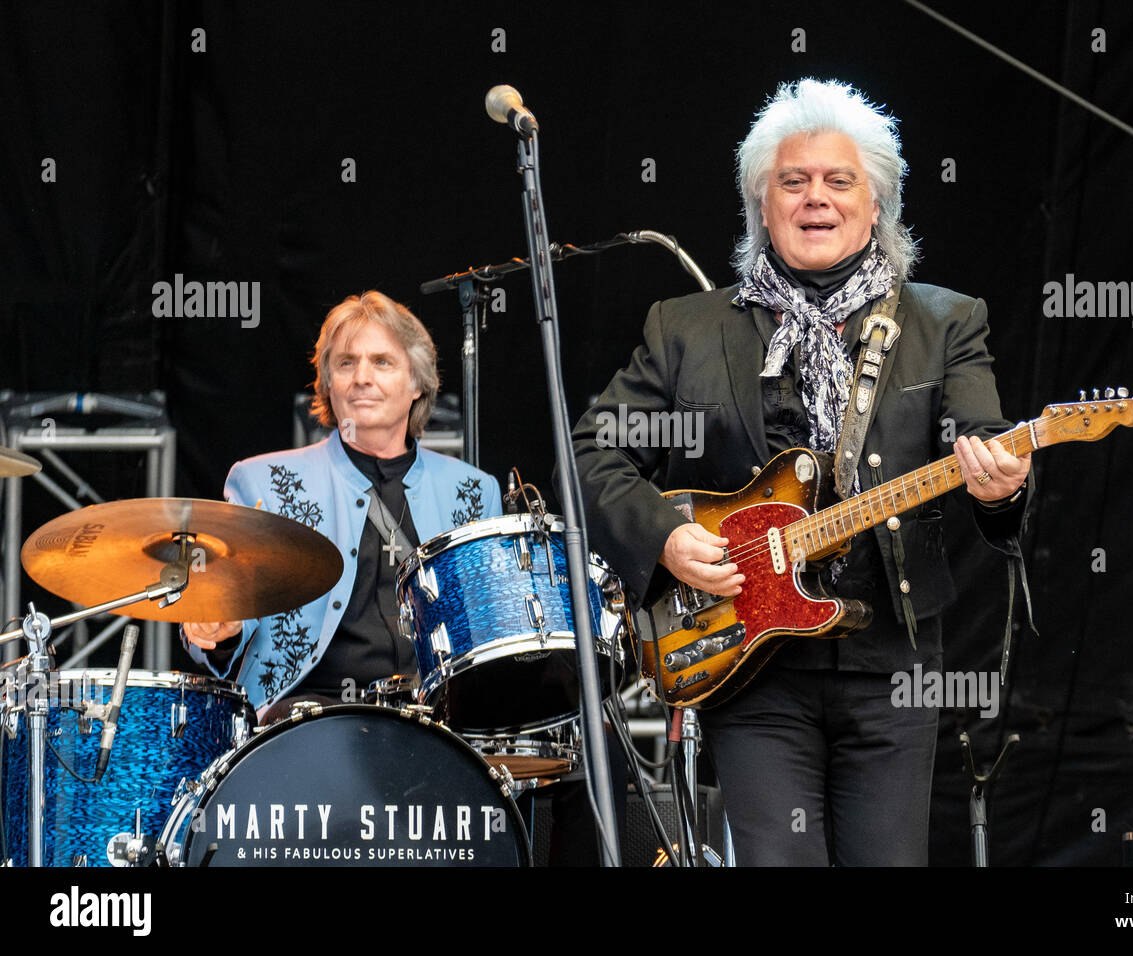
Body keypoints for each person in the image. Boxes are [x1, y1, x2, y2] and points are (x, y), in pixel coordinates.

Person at [571, 78, 1032, 865]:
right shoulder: (685, 328)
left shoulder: (945, 320)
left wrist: (1002, 483)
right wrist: (667, 538)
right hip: (747, 659)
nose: (815, 198)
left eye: (838, 180)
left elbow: (981, 437)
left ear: (876, 204)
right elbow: (594, 451)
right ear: (763, 206)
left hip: (894, 657)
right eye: (793, 181)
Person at [181, 290, 501, 721]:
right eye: (346, 363)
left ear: (418, 383)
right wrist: (219, 629)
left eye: (382, 362)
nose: (361, 378)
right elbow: (228, 619)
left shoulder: (473, 490)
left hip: (438, 717)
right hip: (305, 717)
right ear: (328, 383)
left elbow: (492, 632)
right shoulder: (265, 483)